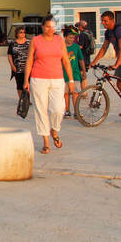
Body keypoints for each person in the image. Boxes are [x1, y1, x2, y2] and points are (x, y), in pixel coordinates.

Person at [24, 17, 74, 153]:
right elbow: (29, 60)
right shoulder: (36, 41)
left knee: (59, 109)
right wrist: (26, 81)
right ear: (42, 27)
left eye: (53, 27)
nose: (50, 29)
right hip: (38, 79)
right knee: (41, 111)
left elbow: (66, 61)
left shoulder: (59, 40)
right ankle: (46, 142)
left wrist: (71, 80)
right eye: (47, 27)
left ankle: (55, 131)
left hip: (57, 79)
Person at [63, 28, 85, 114]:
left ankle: (76, 112)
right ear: (65, 37)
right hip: (63, 74)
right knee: (66, 93)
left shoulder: (76, 47)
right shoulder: (61, 47)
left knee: (75, 93)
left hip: (75, 73)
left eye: (73, 38)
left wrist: (83, 71)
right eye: (70, 37)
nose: (72, 39)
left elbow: (81, 59)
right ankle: (67, 110)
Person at [7, 26, 31, 94]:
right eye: (21, 32)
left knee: (28, 83)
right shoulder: (13, 43)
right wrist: (12, 66)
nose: (23, 34)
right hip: (17, 68)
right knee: (19, 84)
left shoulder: (29, 42)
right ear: (17, 34)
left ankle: (27, 99)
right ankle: (21, 99)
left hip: (28, 67)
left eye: (24, 32)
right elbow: (9, 55)